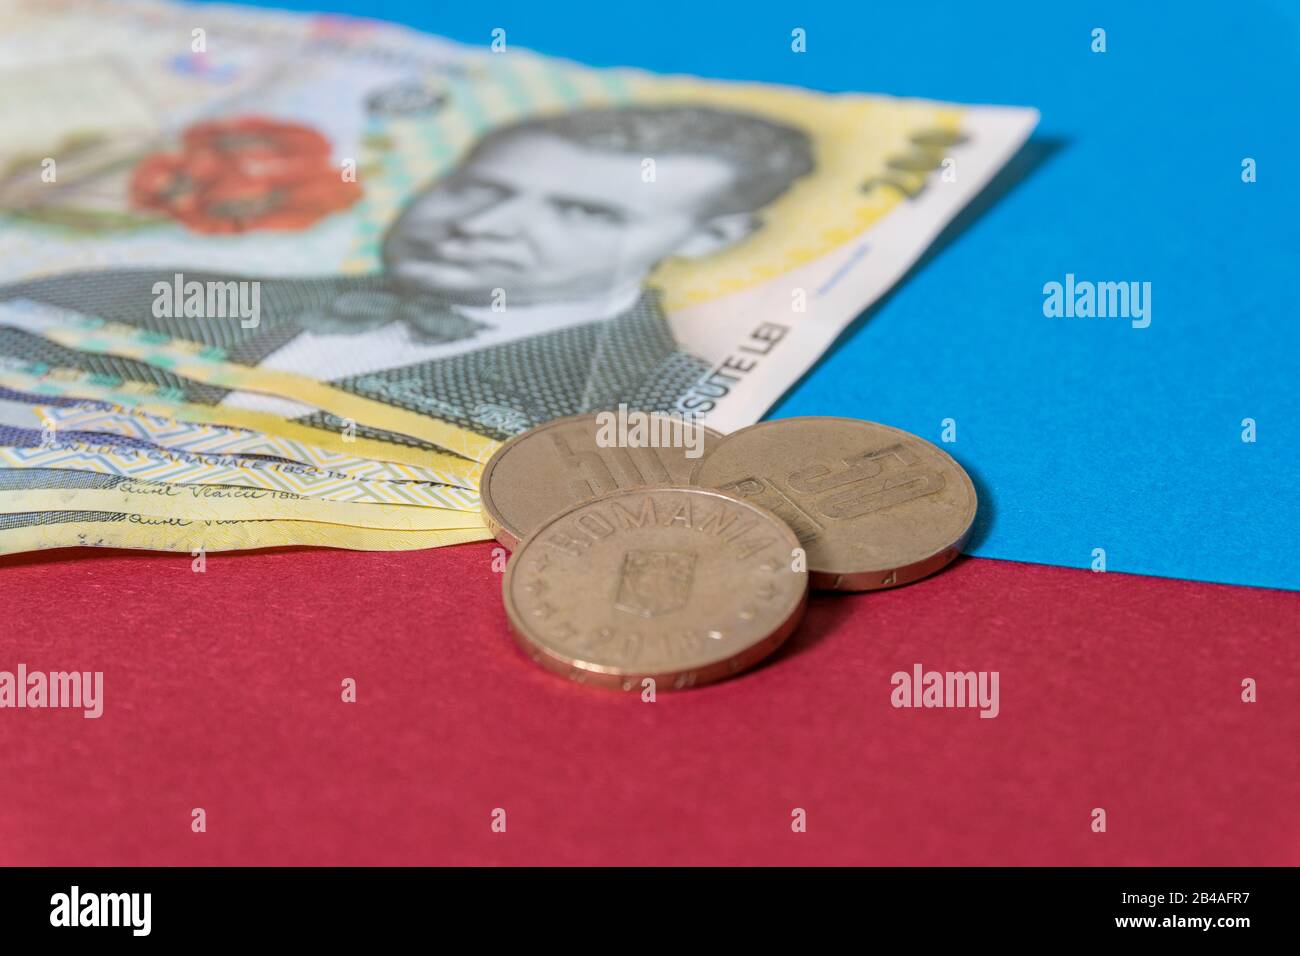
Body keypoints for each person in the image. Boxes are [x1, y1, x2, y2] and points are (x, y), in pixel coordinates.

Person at [0, 104, 815, 439]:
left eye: (582, 211)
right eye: (477, 187)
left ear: (713, 235)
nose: (481, 225)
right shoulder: (120, 296)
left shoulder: (652, 411)